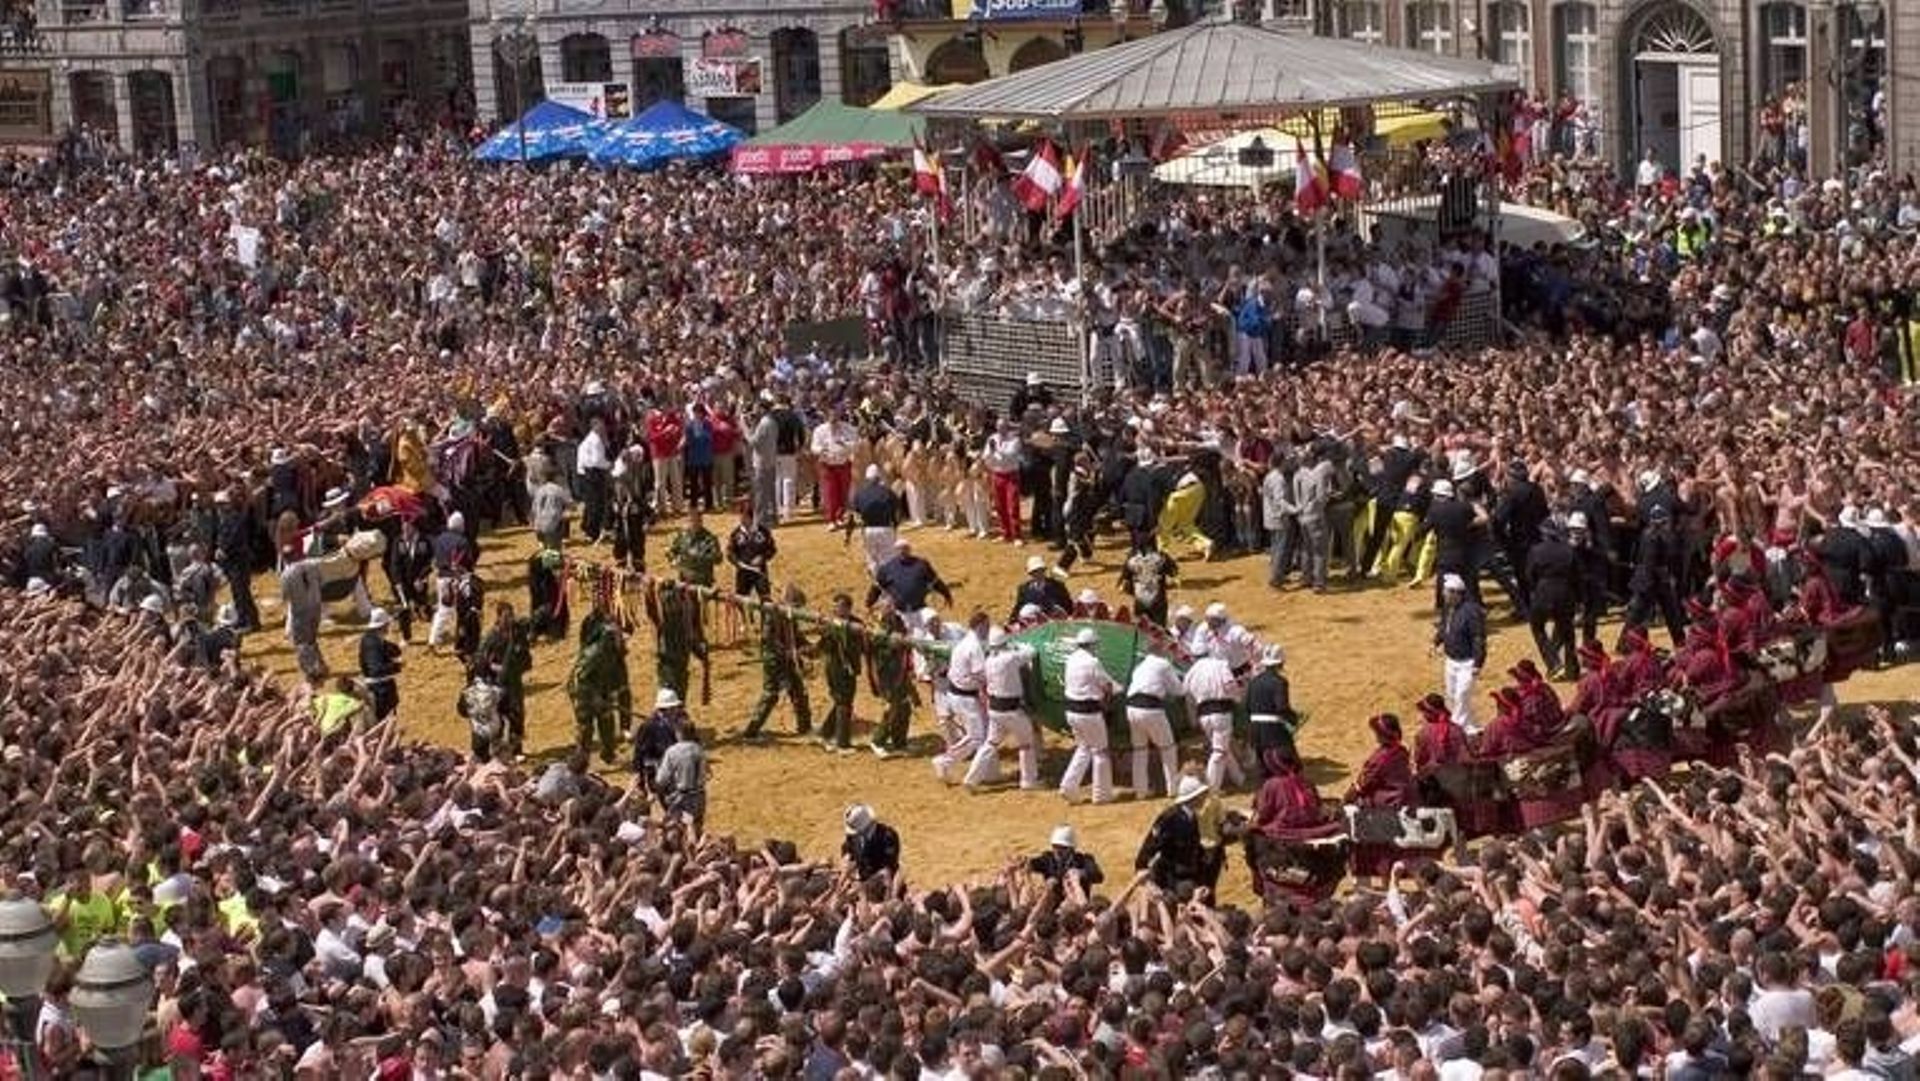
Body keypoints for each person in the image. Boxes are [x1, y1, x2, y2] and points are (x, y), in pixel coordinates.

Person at [969, 625, 1039, 789]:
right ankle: (1028, 781)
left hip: (994, 709)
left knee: (991, 744)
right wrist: (1018, 643)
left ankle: (971, 779)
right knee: (1026, 743)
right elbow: (1031, 651)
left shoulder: (989, 661)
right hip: (1011, 710)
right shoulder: (1009, 658)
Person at [742, 584, 812, 742]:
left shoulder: (790, 617)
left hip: (788, 660)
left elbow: (796, 636)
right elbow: (769, 640)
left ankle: (805, 727)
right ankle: (751, 732)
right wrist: (786, 652)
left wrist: (808, 647)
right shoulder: (773, 613)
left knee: (798, 692)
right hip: (774, 660)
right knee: (771, 694)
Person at [1059, 626, 1120, 805]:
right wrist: (1109, 700)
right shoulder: (1092, 662)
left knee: (1083, 748)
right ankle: (1101, 795)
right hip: (1089, 712)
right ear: (1092, 644)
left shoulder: (1071, 660)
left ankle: (1068, 786)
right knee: (1100, 751)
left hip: (1071, 711)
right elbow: (1107, 685)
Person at [567, 614, 632, 765]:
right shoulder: (594, 653)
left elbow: (612, 677)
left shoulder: (612, 654)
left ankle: (608, 755)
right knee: (586, 729)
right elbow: (580, 677)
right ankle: (581, 761)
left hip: (601, 690)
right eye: (618, 636)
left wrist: (608, 693)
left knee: (607, 722)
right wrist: (594, 697)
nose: (621, 640)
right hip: (582, 692)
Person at [933, 609, 990, 782]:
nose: (988, 629)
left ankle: (987, 772)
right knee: (976, 737)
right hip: (965, 697)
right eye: (986, 626)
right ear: (979, 626)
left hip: (959, 693)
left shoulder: (965, 642)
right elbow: (981, 674)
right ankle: (944, 760)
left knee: (983, 734)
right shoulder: (974, 647)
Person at [473, 602, 533, 758]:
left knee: (517, 716)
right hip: (497, 683)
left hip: (514, 681)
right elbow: (479, 658)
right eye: (506, 616)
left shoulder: (517, 632)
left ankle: (516, 749)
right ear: (498, 617)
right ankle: (498, 750)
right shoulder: (491, 637)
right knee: (497, 718)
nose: (509, 619)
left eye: (511, 615)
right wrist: (493, 667)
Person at [1124, 646, 1185, 798]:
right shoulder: (1163, 664)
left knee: (1140, 750)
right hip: (1150, 708)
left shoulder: (1140, 666)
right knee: (1168, 748)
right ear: (1162, 652)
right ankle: (1172, 789)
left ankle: (1141, 791)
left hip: (1131, 708)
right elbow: (1179, 690)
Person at [1526, 518, 1583, 678]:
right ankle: (1572, 670)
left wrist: (1535, 589)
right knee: (1568, 633)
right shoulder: (1569, 550)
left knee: (1537, 627)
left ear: (1544, 533)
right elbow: (1577, 576)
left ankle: (1553, 662)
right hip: (1565, 593)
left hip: (1543, 592)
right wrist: (1579, 600)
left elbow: (1530, 576)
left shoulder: (1535, 550)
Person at [1184, 641, 1244, 792]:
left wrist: (1193, 720)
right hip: (1221, 712)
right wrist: (1238, 699)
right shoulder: (1220, 665)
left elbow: (1188, 698)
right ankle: (1212, 789)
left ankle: (1239, 778)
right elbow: (1230, 685)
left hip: (1204, 716)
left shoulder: (1191, 672)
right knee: (1219, 751)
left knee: (1222, 748)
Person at [1135, 776, 1210, 895]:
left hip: (1188, 874)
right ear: (1193, 798)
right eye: (1201, 795)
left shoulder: (1192, 817)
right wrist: (1141, 866)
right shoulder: (1170, 817)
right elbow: (1153, 842)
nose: (1204, 798)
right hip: (1171, 878)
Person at [1435, 573, 1486, 732]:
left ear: (1457, 593)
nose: (1443, 595)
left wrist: (1478, 663)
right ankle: (1470, 727)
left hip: (1468, 662)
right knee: (1452, 695)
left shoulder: (1472, 612)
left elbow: (1478, 638)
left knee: (1462, 695)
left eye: (1447, 592)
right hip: (1451, 660)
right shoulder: (1448, 608)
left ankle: (1456, 729)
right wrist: (1437, 642)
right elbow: (1444, 627)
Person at [867, 602, 918, 757]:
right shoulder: (875, 625)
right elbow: (873, 647)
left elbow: (905, 639)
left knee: (905, 707)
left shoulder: (898, 621)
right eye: (886, 608)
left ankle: (899, 742)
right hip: (887, 674)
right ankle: (878, 740)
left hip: (901, 670)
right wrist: (891, 644)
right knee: (893, 707)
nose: (890, 610)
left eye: (891, 607)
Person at [818, 592, 865, 753]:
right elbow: (823, 646)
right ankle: (842, 743)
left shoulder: (857, 624)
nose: (835, 609)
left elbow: (862, 646)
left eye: (838, 607)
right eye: (834, 606)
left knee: (842, 701)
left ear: (847, 608)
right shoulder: (829, 624)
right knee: (844, 703)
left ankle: (825, 732)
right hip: (835, 668)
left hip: (849, 668)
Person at [1244, 644, 1298, 778]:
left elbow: (1247, 707)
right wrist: (1293, 719)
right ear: (1280, 663)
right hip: (1273, 731)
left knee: (1264, 769)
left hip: (1255, 730)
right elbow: (1282, 707)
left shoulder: (1254, 681)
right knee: (1287, 765)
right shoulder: (1280, 682)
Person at [866, 539, 953, 621]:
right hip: (898, 612)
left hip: (920, 609)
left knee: (933, 623)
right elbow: (876, 587)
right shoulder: (886, 568)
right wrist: (869, 603)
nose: (902, 551)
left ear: (909, 550)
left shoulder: (922, 565)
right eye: (899, 549)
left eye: (905, 548)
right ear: (895, 551)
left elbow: (935, 582)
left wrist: (947, 594)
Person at [844, 464, 903, 574]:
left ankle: (877, 585)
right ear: (879, 478)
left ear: (867, 478)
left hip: (868, 531)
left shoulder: (859, 494)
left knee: (872, 562)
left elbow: (851, 517)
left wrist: (848, 536)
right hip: (886, 529)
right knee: (888, 560)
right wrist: (895, 526)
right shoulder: (888, 492)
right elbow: (898, 511)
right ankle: (887, 587)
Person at [653, 718, 708, 833]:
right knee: (696, 827)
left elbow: (661, 779)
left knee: (677, 830)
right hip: (699, 795)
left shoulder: (672, 751)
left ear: (679, 733)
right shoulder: (699, 749)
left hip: (682, 798)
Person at [810, 407, 858, 527]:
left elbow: (856, 445)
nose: (834, 419)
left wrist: (845, 445)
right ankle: (831, 519)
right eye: (831, 417)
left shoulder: (849, 428)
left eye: (836, 416)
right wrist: (821, 450)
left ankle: (840, 516)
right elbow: (813, 447)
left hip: (844, 464)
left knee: (843, 492)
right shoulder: (819, 430)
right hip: (827, 465)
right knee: (829, 492)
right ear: (826, 417)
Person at [1118, 530, 1178, 627]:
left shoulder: (1132, 559)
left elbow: (1124, 582)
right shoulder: (1162, 557)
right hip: (1158, 601)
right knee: (1159, 631)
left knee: (1141, 629)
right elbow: (1174, 572)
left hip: (1140, 601)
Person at [1025, 825, 1103, 899]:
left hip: (1077, 908)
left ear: (1071, 848)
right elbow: (1032, 863)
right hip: (1052, 906)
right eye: (1055, 846)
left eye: (1062, 848)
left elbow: (1098, 876)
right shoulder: (1048, 859)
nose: (1058, 851)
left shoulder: (1083, 860)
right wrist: (1024, 862)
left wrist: (1080, 873)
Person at [632, 689, 686, 794]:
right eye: (673, 708)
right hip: (660, 774)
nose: (676, 711)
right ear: (665, 709)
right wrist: (640, 782)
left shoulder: (681, 720)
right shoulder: (649, 727)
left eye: (676, 708)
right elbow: (639, 754)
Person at [608, 445, 652, 573]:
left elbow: (641, 498)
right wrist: (608, 524)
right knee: (620, 550)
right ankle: (621, 579)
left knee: (637, 549)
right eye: (624, 459)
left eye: (628, 458)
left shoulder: (641, 473)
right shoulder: (616, 476)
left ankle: (639, 575)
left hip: (635, 518)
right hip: (620, 519)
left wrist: (648, 516)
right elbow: (610, 499)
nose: (627, 461)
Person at [358, 607, 402, 722]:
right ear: (383, 625)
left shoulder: (373, 638)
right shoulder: (372, 643)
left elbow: (394, 650)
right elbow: (376, 670)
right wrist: (396, 666)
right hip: (380, 691)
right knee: (384, 722)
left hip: (381, 689)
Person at [726, 500, 775, 599]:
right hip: (743, 573)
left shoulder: (763, 532)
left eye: (744, 517)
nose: (741, 520)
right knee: (741, 600)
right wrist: (738, 562)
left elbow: (772, 549)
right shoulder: (736, 534)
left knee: (765, 600)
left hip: (759, 572)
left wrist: (762, 557)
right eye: (740, 516)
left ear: (751, 518)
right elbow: (730, 553)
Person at [840, 804, 900, 882]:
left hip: (883, 882)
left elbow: (888, 867)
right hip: (861, 879)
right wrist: (846, 858)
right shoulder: (854, 836)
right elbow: (847, 847)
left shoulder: (887, 836)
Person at [457, 668, 505, 763]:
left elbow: (462, 711)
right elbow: (506, 709)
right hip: (496, 731)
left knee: (480, 761)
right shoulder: (498, 691)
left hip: (478, 733)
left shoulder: (467, 692)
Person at [667, 505, 722, 588]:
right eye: (691, 520)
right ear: (687, 521)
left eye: (697, 520)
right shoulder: (682, 536)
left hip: (702, 581)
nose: (694, 523)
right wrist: (673, 560)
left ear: (701, 521)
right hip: (684, 580)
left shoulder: (709, 538)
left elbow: (718, 559)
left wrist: (697, 557)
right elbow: (671, 551)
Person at [1010, 554, 1070, 620]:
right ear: (1030, 573)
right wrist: (1011, 620)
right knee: (1026, 610)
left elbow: (1068, 604)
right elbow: (1019, 607)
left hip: (1056, 619)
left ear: (1044, 571)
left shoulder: (1057, 585)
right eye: (1035, 572)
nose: (1038, 574)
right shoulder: (1024, 589)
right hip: (1035, 623)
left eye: (1040, 571)